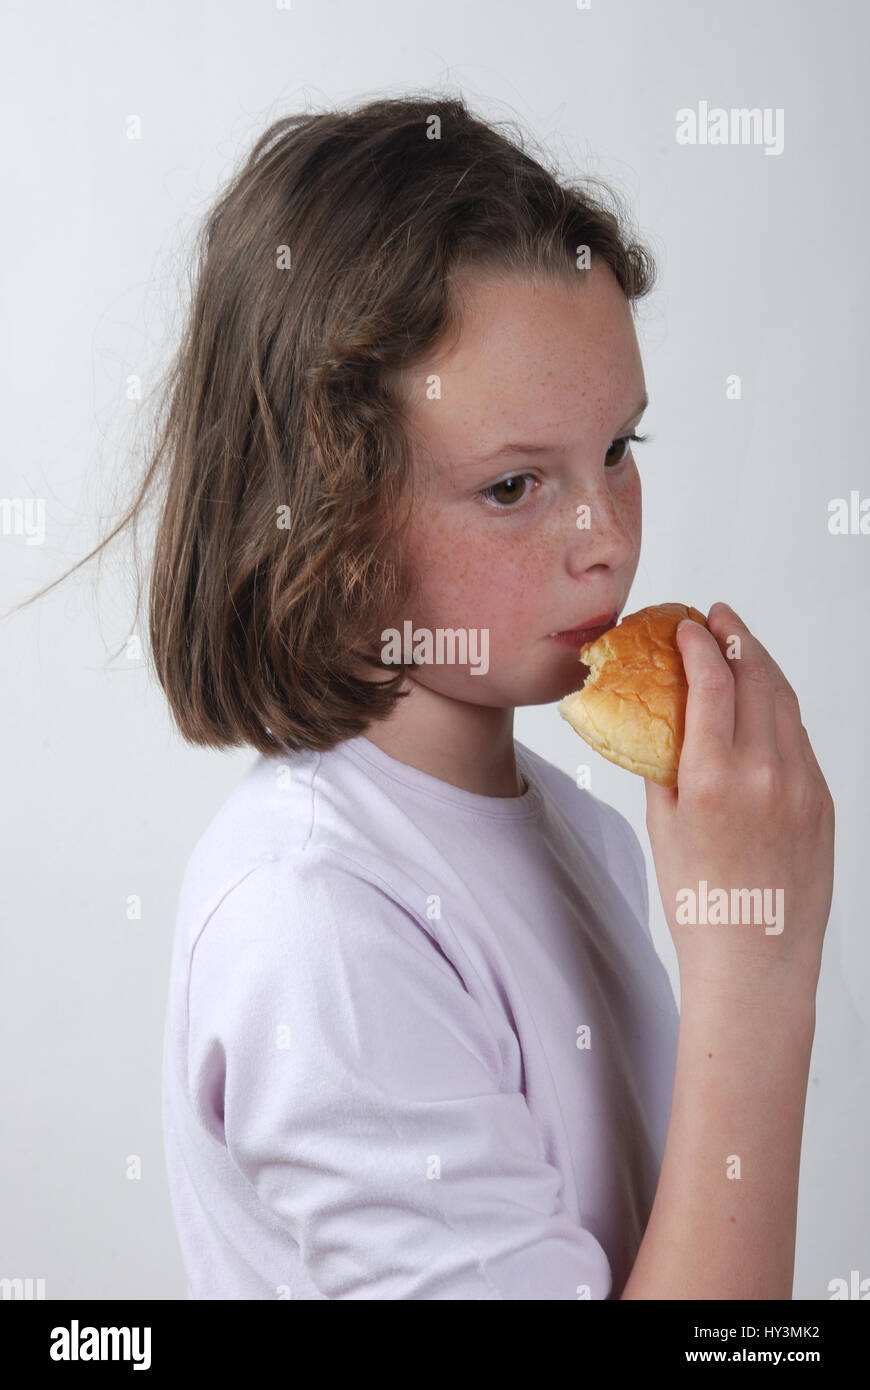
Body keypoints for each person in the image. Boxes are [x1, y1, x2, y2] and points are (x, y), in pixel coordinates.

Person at [17, 93, 833, 1299]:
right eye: (513, 485)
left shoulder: (584, 832)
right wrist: (758, 980)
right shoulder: (324, 923)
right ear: (330, 517)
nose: (603, 537)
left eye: (620, 450)